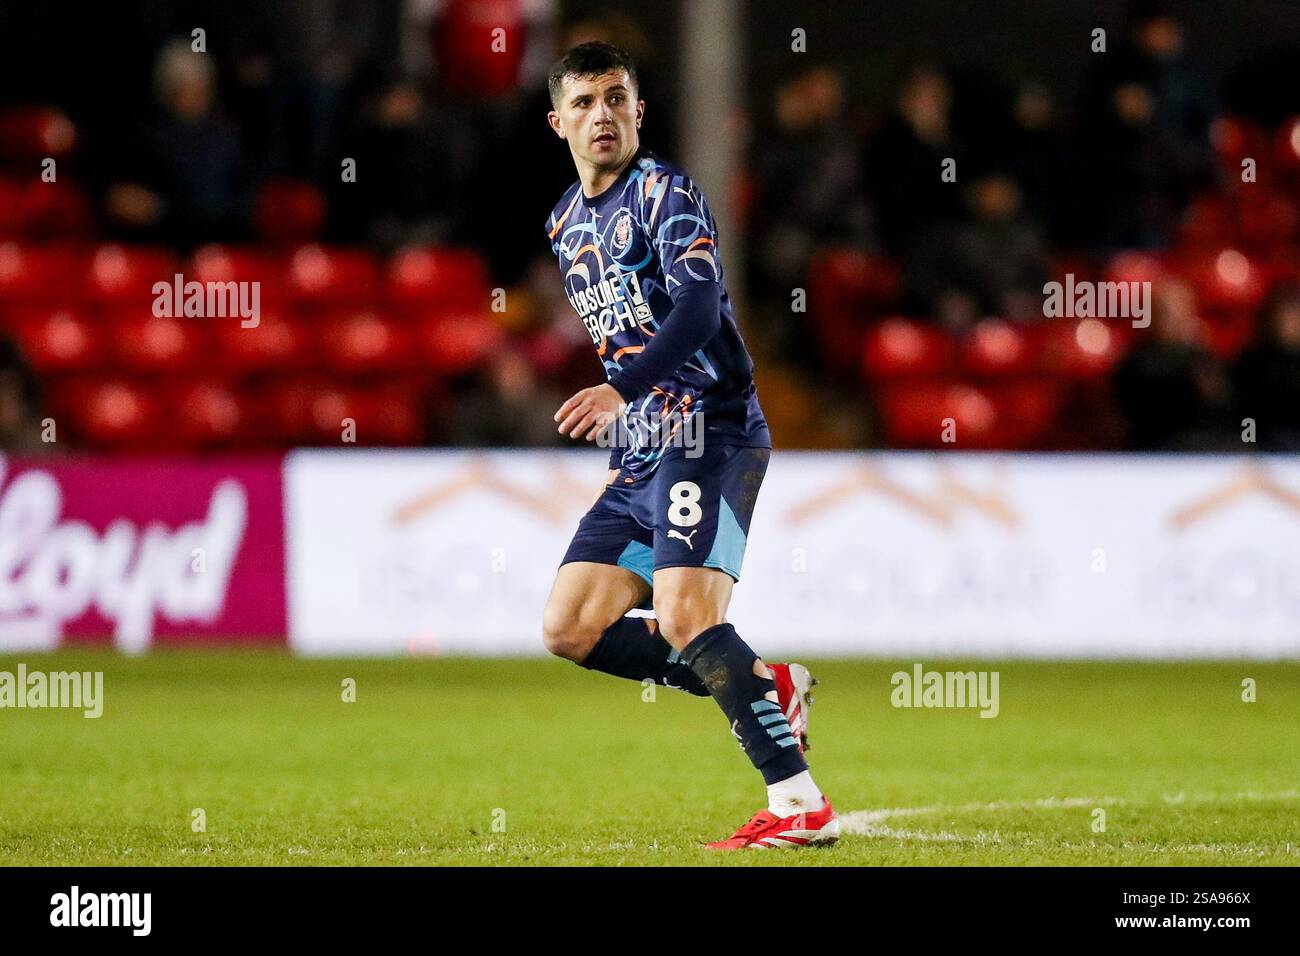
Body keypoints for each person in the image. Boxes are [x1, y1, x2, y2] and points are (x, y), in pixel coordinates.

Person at [538, 42, 838, 850]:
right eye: (586, 101)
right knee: (571, 626)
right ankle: (767, 686)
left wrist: (620, 390)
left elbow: (700, 311)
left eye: (617, 97)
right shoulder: (564, 224)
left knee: (683, 618)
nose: (603, 114)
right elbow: (621, 330)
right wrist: (627, 415)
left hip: (709, 430)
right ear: (558, 120)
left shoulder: (666, 194)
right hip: (640, 450)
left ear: (639, 111)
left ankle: (800, 804)